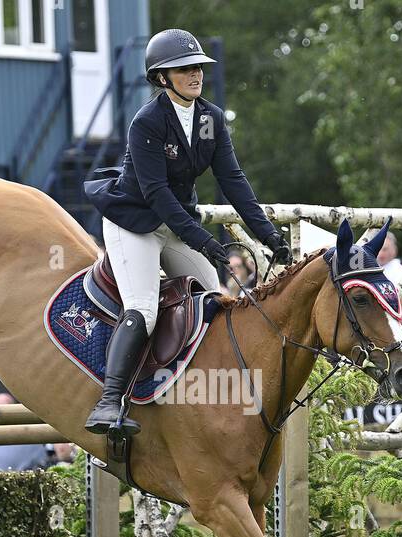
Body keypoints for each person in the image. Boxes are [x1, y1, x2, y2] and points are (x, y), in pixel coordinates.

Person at [82, 27, 290, 436]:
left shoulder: (210, 119)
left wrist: (269, 235)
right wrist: (203, 240)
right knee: (143, 308)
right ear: (162, 78)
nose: (195, 74)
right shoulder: (148, 122)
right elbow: (156, 194)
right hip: (134, 222)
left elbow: (232, 180)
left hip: (174, 221)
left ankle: (203, 392)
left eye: (197, 67)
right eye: (184, 69)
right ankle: (109, 402)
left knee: (216, 299)